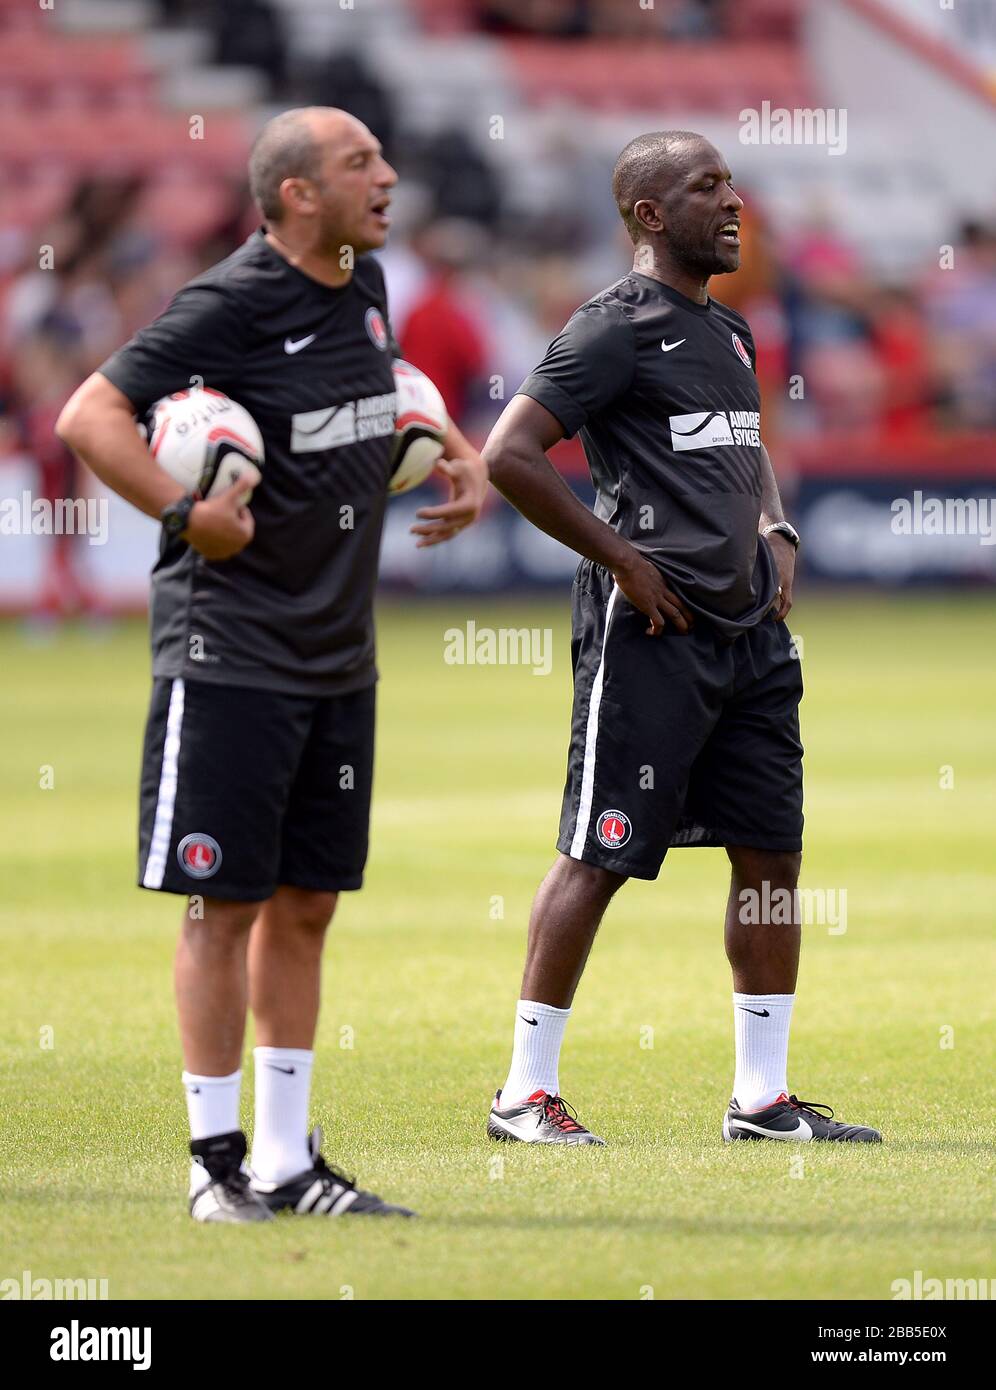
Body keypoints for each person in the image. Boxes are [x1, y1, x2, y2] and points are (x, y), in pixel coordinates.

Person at [56, 107, 489, 1221]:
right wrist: (184, 512)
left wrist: (461, 452)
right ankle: (215, 1167)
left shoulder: (365, 285)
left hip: (339, 655)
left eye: (383, 159)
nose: (388, 177)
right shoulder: (231, 302)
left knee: (307, 906)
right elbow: (89, 415)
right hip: (230, 653)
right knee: (222, 906)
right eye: (361, 164)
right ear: (298, 194)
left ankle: (288, 1164)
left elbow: (380, 392)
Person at [482, 131, 880, 1147]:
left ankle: (762, 1099)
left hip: (751, 636)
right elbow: (511, 454)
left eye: (732, 183)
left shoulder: (732, 331)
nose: (735, 201)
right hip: (652, 633)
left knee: (772, 859)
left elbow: (747, 448)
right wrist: (622, 558)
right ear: (650, 215)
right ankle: (525, 1093)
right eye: (708, 187)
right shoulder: (611, 328)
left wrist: (776, 528)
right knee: (600, 852)